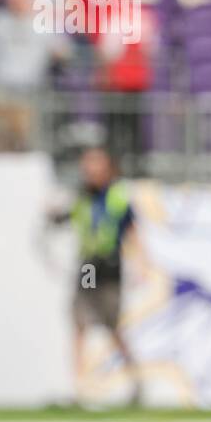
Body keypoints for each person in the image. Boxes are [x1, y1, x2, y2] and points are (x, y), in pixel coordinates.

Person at [50, 147, 141, 406]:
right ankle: (78, 388)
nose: (89, 171)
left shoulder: (118, 196)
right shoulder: (82, 197)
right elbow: (70, 219)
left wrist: (142, 267)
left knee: (114, 329)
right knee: (79, 327)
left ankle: (135, 380)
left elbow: (131, 231)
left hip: (110, 272)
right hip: (86, 269)